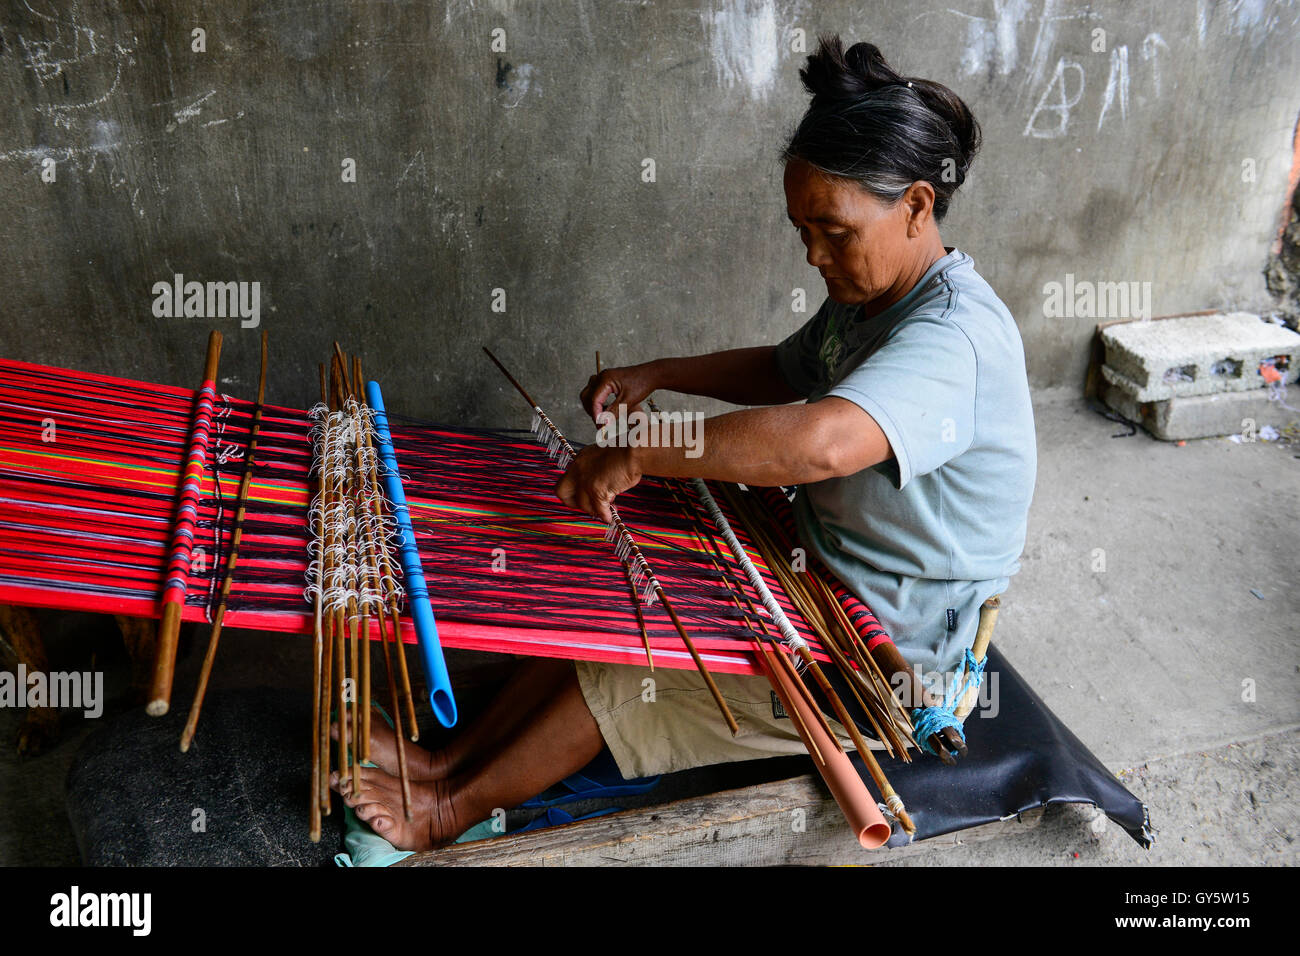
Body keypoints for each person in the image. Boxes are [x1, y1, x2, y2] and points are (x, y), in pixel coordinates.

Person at [332, 35, 1037, 851]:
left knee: (635, 654)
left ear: (917, 206)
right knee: (612, 574)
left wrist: (644, 449)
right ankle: (445, 759)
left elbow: (822, 443)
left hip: (882, 650)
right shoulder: (873, 295)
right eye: (801, 228)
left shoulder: (956, 339)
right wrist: (656, 373)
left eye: (833, 231)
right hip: (812, 569)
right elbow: (786, 369)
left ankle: (446, 810)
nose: (813, 254)